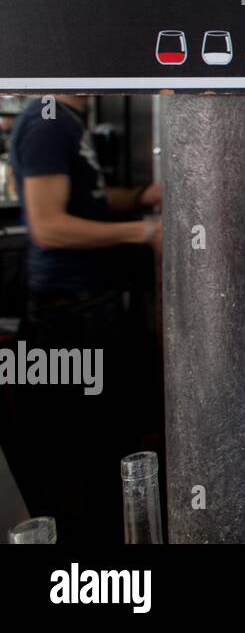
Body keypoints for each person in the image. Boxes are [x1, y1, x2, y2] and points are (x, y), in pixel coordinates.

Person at [7, 94, 161, 541]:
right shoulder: (48, 121)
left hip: (89, 308)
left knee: (108, 450)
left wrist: (139, 197)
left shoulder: (70, 121)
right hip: (68, 317)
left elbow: (88, 200)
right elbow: (49, 226)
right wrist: (144, 230)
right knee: (84, 460)